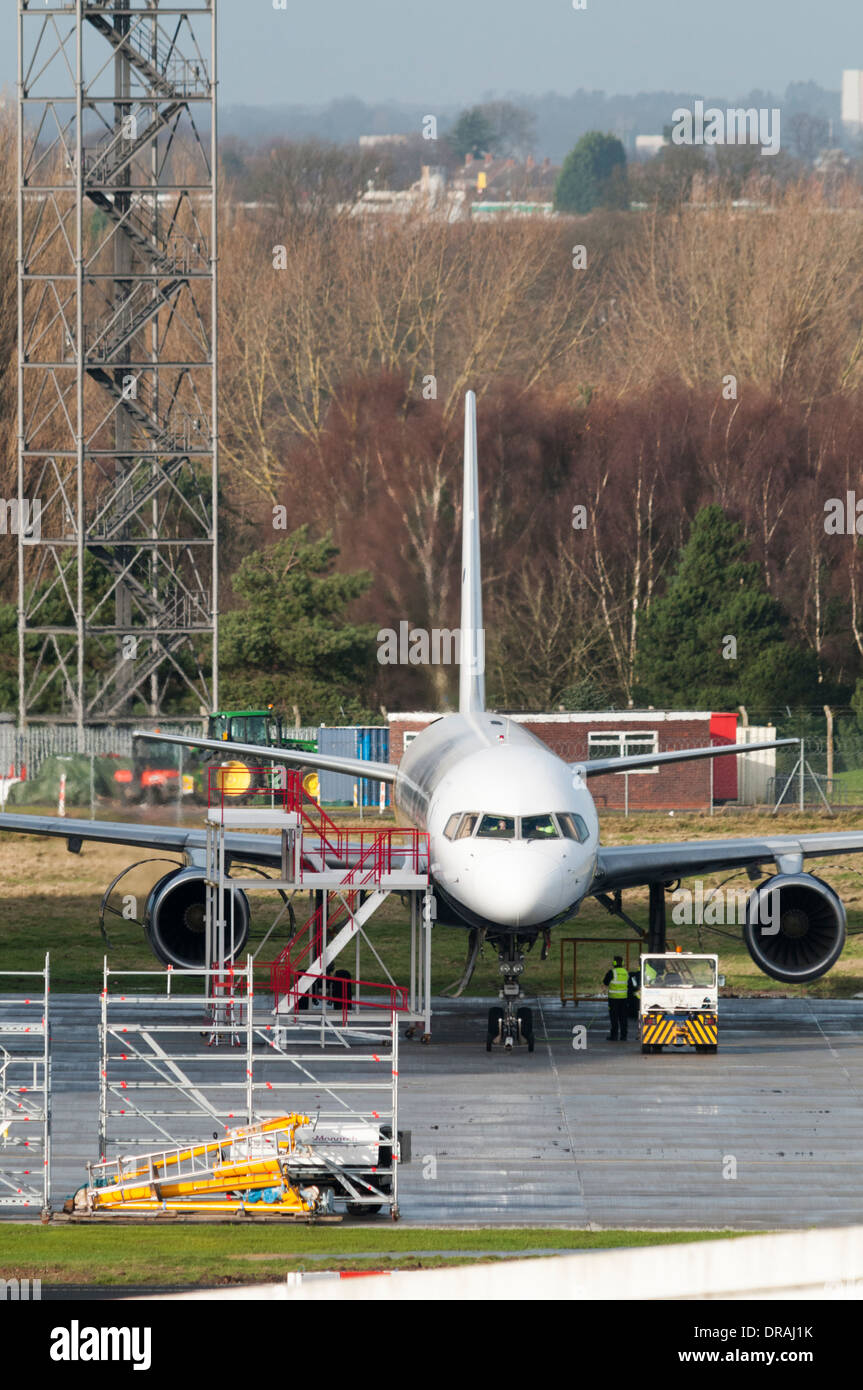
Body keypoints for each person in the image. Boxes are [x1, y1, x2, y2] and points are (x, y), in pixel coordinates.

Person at [603, 954, 629, 1041]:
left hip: (613, 999)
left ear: (614, 963)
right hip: (624, 999)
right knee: (623, 1018)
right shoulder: (626, 972)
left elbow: (605, 982)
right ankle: (624, 1036)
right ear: (623, 963)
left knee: (614, 1018)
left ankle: (614, 1036)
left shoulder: (612, 972)